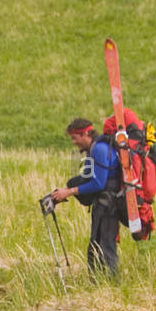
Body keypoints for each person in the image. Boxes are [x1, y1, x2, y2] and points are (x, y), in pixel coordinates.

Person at [48, 117, 125, 278]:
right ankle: (97, 283)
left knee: (105, 247)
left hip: (108, 205)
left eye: (74, 138)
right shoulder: (95, 148)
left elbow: (98, 183)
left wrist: (69, 191)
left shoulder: (99, 149)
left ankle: (111, 285)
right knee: (96, 247)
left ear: (84, 134)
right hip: (104, 204)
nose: (74, 142)